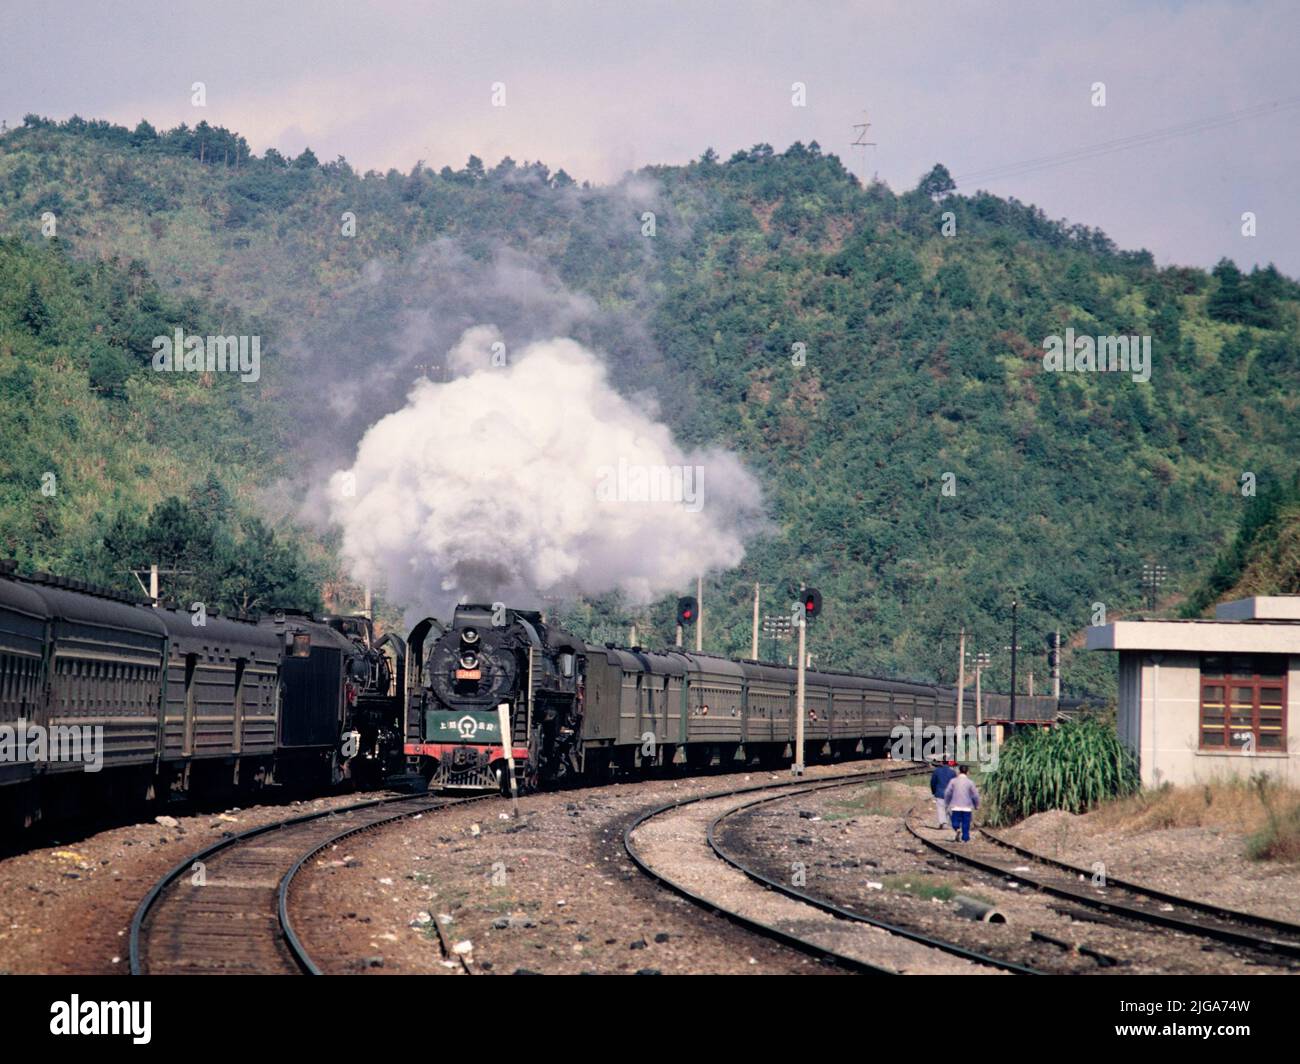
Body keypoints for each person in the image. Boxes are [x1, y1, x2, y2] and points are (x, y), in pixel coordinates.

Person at [944, 764, 980, 843]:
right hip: (967, 807)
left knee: (954, 822)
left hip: (955, 806)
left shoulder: (953, 781)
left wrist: (946, 803)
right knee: (966, 823)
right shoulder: (970, 782)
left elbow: (947, 792)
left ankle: (957, 828)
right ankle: (965, 838)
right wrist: (977, 805)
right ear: (967, 772)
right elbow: (975, 795)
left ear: (959, 771)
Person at [929, 759, 956, 830]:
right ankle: (952, 823)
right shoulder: (953, 772)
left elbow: (933, 782)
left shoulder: (936, 771)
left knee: (941, 808)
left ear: (941, 762)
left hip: (939, 793)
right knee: (949, 808)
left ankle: (943, 823)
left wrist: (934, 791)